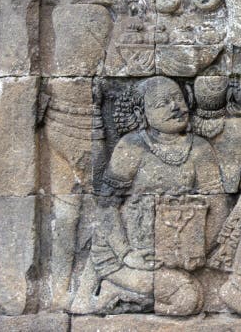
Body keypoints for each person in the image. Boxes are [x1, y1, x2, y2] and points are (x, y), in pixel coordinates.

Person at [71, 77, 222, 315]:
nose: (175, 107)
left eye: (178, 99)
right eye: (163, 102)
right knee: (187, 299)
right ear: (142, 112)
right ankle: (114, 291)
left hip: (178, 254)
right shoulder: (131, 146)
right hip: (125, 255)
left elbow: (218, 206)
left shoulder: (200, 149)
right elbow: (106, 206)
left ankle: (129, 296)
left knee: (195, 298)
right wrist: (127, 254)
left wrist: (196, 249)